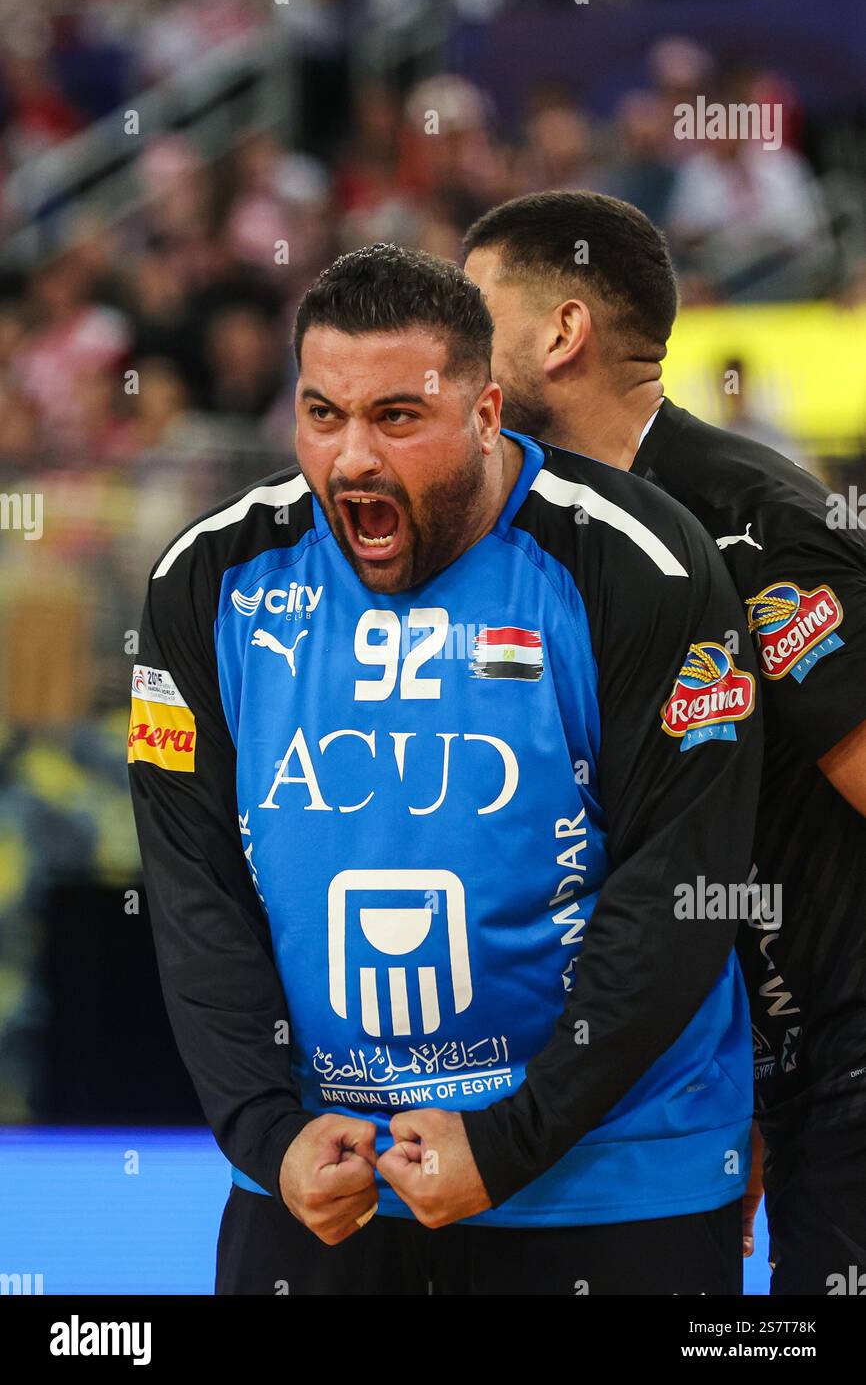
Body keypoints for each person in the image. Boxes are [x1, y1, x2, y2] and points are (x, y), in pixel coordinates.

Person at [129, 243, 761, 1296]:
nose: (350, 460)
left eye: (394, 416)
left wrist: (511, 1138)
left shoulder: (638, 562)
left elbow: (676, 893)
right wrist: (265, 1133)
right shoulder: (209, 579)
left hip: (613, 1178)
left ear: (484, 414)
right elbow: (198, 895)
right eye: (322, 414)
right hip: (327, 1179)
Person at [464, 191, 866, 1295]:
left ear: (561, 332)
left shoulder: (749, 517)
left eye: (473, 310)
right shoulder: (540, 532)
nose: (451, 347)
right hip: (758, 1066)